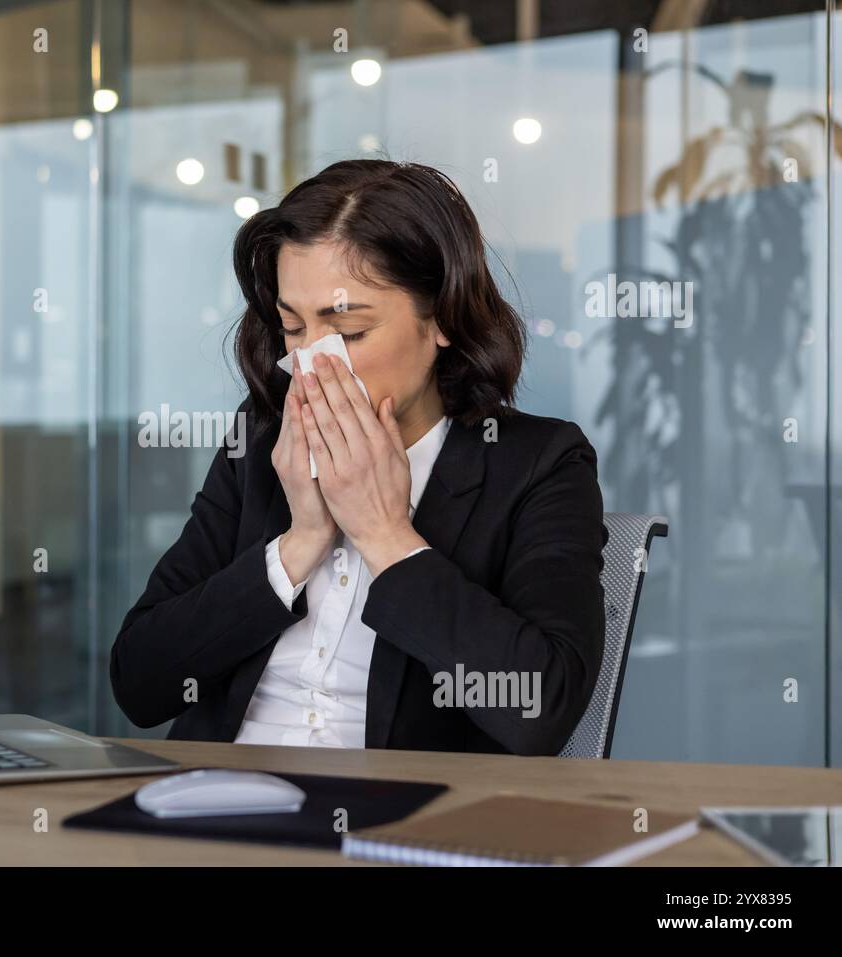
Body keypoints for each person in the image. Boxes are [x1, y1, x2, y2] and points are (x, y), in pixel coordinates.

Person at [110, 159, 606, 756]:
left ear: (443, 317)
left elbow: (538, 713)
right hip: (217, 800)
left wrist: (385, 534)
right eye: (293, 328)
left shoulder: (536, 464)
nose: (315, 361)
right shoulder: (263, 443)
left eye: (348, 332)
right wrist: (300, 542)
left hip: (397, 821)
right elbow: (141, 685)